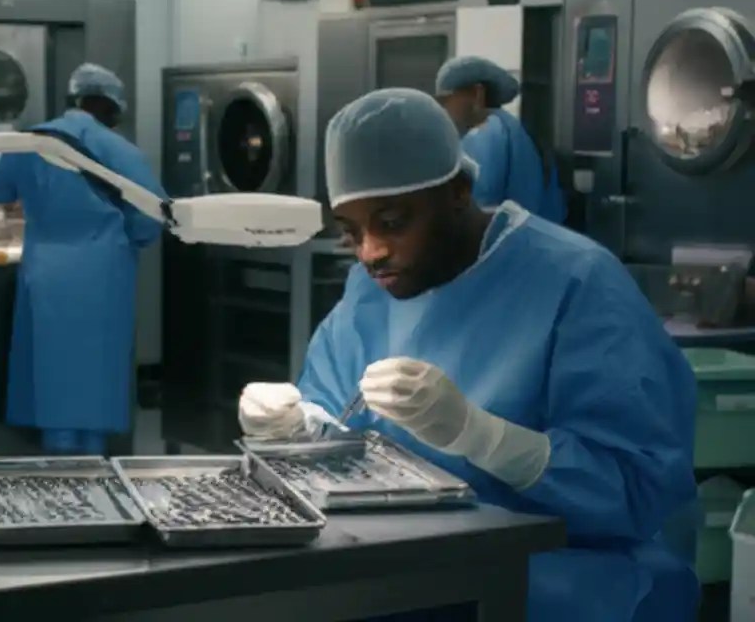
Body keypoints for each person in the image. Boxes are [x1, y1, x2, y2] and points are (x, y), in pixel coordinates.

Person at [238, 88, 698, 621]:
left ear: (457, 191)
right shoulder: (373, 289)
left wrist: (484, 436)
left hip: (560, 578)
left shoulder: (576, 283)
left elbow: (638, 491)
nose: (370, 252)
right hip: (408, 567)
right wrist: (301, 425)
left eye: (391, 222)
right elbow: (336, 408)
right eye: (351, 233)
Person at [0, 63, 164, 455]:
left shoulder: (33, 143)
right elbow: (151, 216)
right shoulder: (119, 150)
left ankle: (56, 464)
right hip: (103, 274)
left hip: (46, 271)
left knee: (52, 373)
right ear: (107, 106)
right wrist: (125, 239)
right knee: (95, 375)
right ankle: (91, 463)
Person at [435, 55, 567, 224]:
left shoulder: (486, 132)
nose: (443, 109)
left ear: (477, 94)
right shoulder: (513, 128)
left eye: (446, 100)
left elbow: (476, 204)